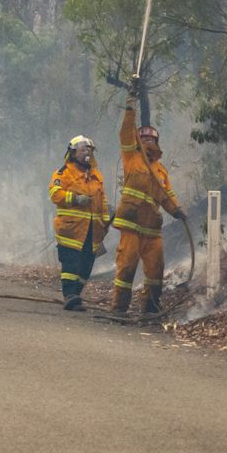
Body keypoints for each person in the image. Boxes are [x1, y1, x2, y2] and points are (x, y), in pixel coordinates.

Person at [111, 87, 184, 316]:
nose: (149, 141)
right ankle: (119, 309)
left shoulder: (160, 170)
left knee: (155, 270)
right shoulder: (131, 158)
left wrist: (177, 210)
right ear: (139, 140)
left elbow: (165, 195)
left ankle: (150, 309)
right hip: (132, 225)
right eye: (145, 138)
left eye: (152, 138)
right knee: (127, 268)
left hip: (152, 228)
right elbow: (125, 132)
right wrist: (130, 107)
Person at [49, 135, 109, 311]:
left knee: (86, 264)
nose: (87, 152)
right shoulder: (63, 173)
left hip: (92, 231)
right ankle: (70, 295)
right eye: (83, 150)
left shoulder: (96, 175)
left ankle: (76, 295)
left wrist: (105, 221)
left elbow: (102, 201)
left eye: (89, 149)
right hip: (70, 230)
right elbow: (55, 194)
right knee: (70, 264)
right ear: (73, 153)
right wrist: (75, 198)